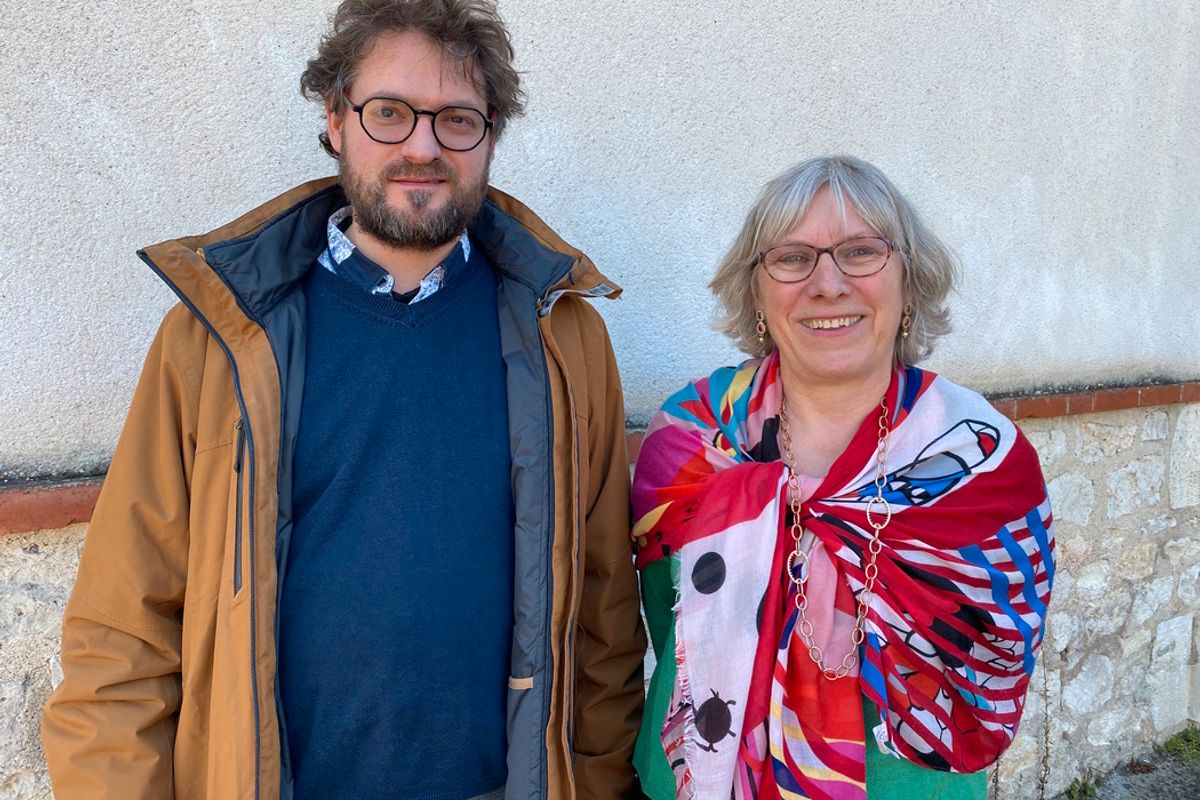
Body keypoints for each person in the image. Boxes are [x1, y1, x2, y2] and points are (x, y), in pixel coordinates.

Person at [41, 1, 646, 797]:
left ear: (491, 134)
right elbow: (123, 633)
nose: (423, 147)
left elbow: (603, 618)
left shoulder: (563, 342)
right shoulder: (218, 341)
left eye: (457, 119)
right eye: (389, 113)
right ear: (334, 120)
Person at [631, 155, 1053, 800]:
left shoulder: (984, 459)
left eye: (861, 252)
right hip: (700, 778)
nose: (828, 284)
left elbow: (995, 655)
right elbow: (670, 627)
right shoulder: (689, 441)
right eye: (793, 258)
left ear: (909, 284)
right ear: (757, 294)